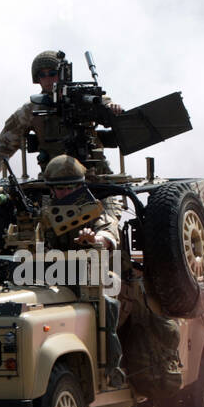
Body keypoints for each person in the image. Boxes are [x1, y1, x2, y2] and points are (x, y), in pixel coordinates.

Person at [40, 156, 126, 388]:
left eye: (72, 187)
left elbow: (109, 234)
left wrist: (94, 239)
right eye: (60, 188)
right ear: (51, 189)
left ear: (82, 186)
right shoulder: (42, 212)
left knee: (106, 302)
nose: (66, 192)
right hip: (46, 279)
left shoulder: (97, 210)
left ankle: (111, 368)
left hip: (90, 278)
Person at [0, 50, 124, 183]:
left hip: (96, 178)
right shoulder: (31, 109)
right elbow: (5, 144)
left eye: (52, 73)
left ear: (63, 74)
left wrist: (112, 108)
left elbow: (104, 102)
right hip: (55, 182)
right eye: (42, 75)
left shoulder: (84, 98)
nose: (48, 79)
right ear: (37, 79)